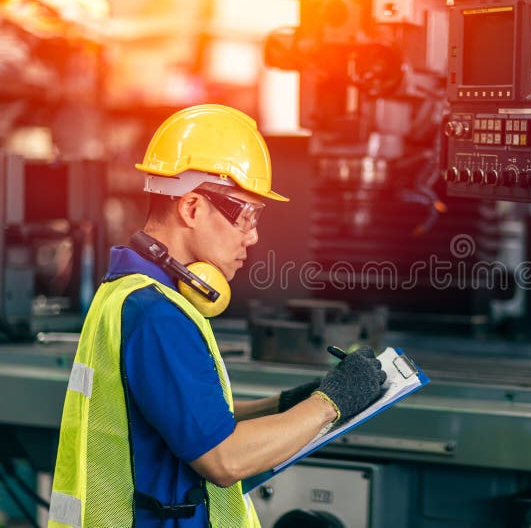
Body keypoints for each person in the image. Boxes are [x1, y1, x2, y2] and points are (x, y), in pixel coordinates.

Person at [48, 104, 387, 527]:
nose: (254, 235)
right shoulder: (158, 315)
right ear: (191, 208)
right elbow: (224, 459)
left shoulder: (130, 291)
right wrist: (328, 405)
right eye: (246, 215)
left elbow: (191, 416)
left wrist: (283, 406)